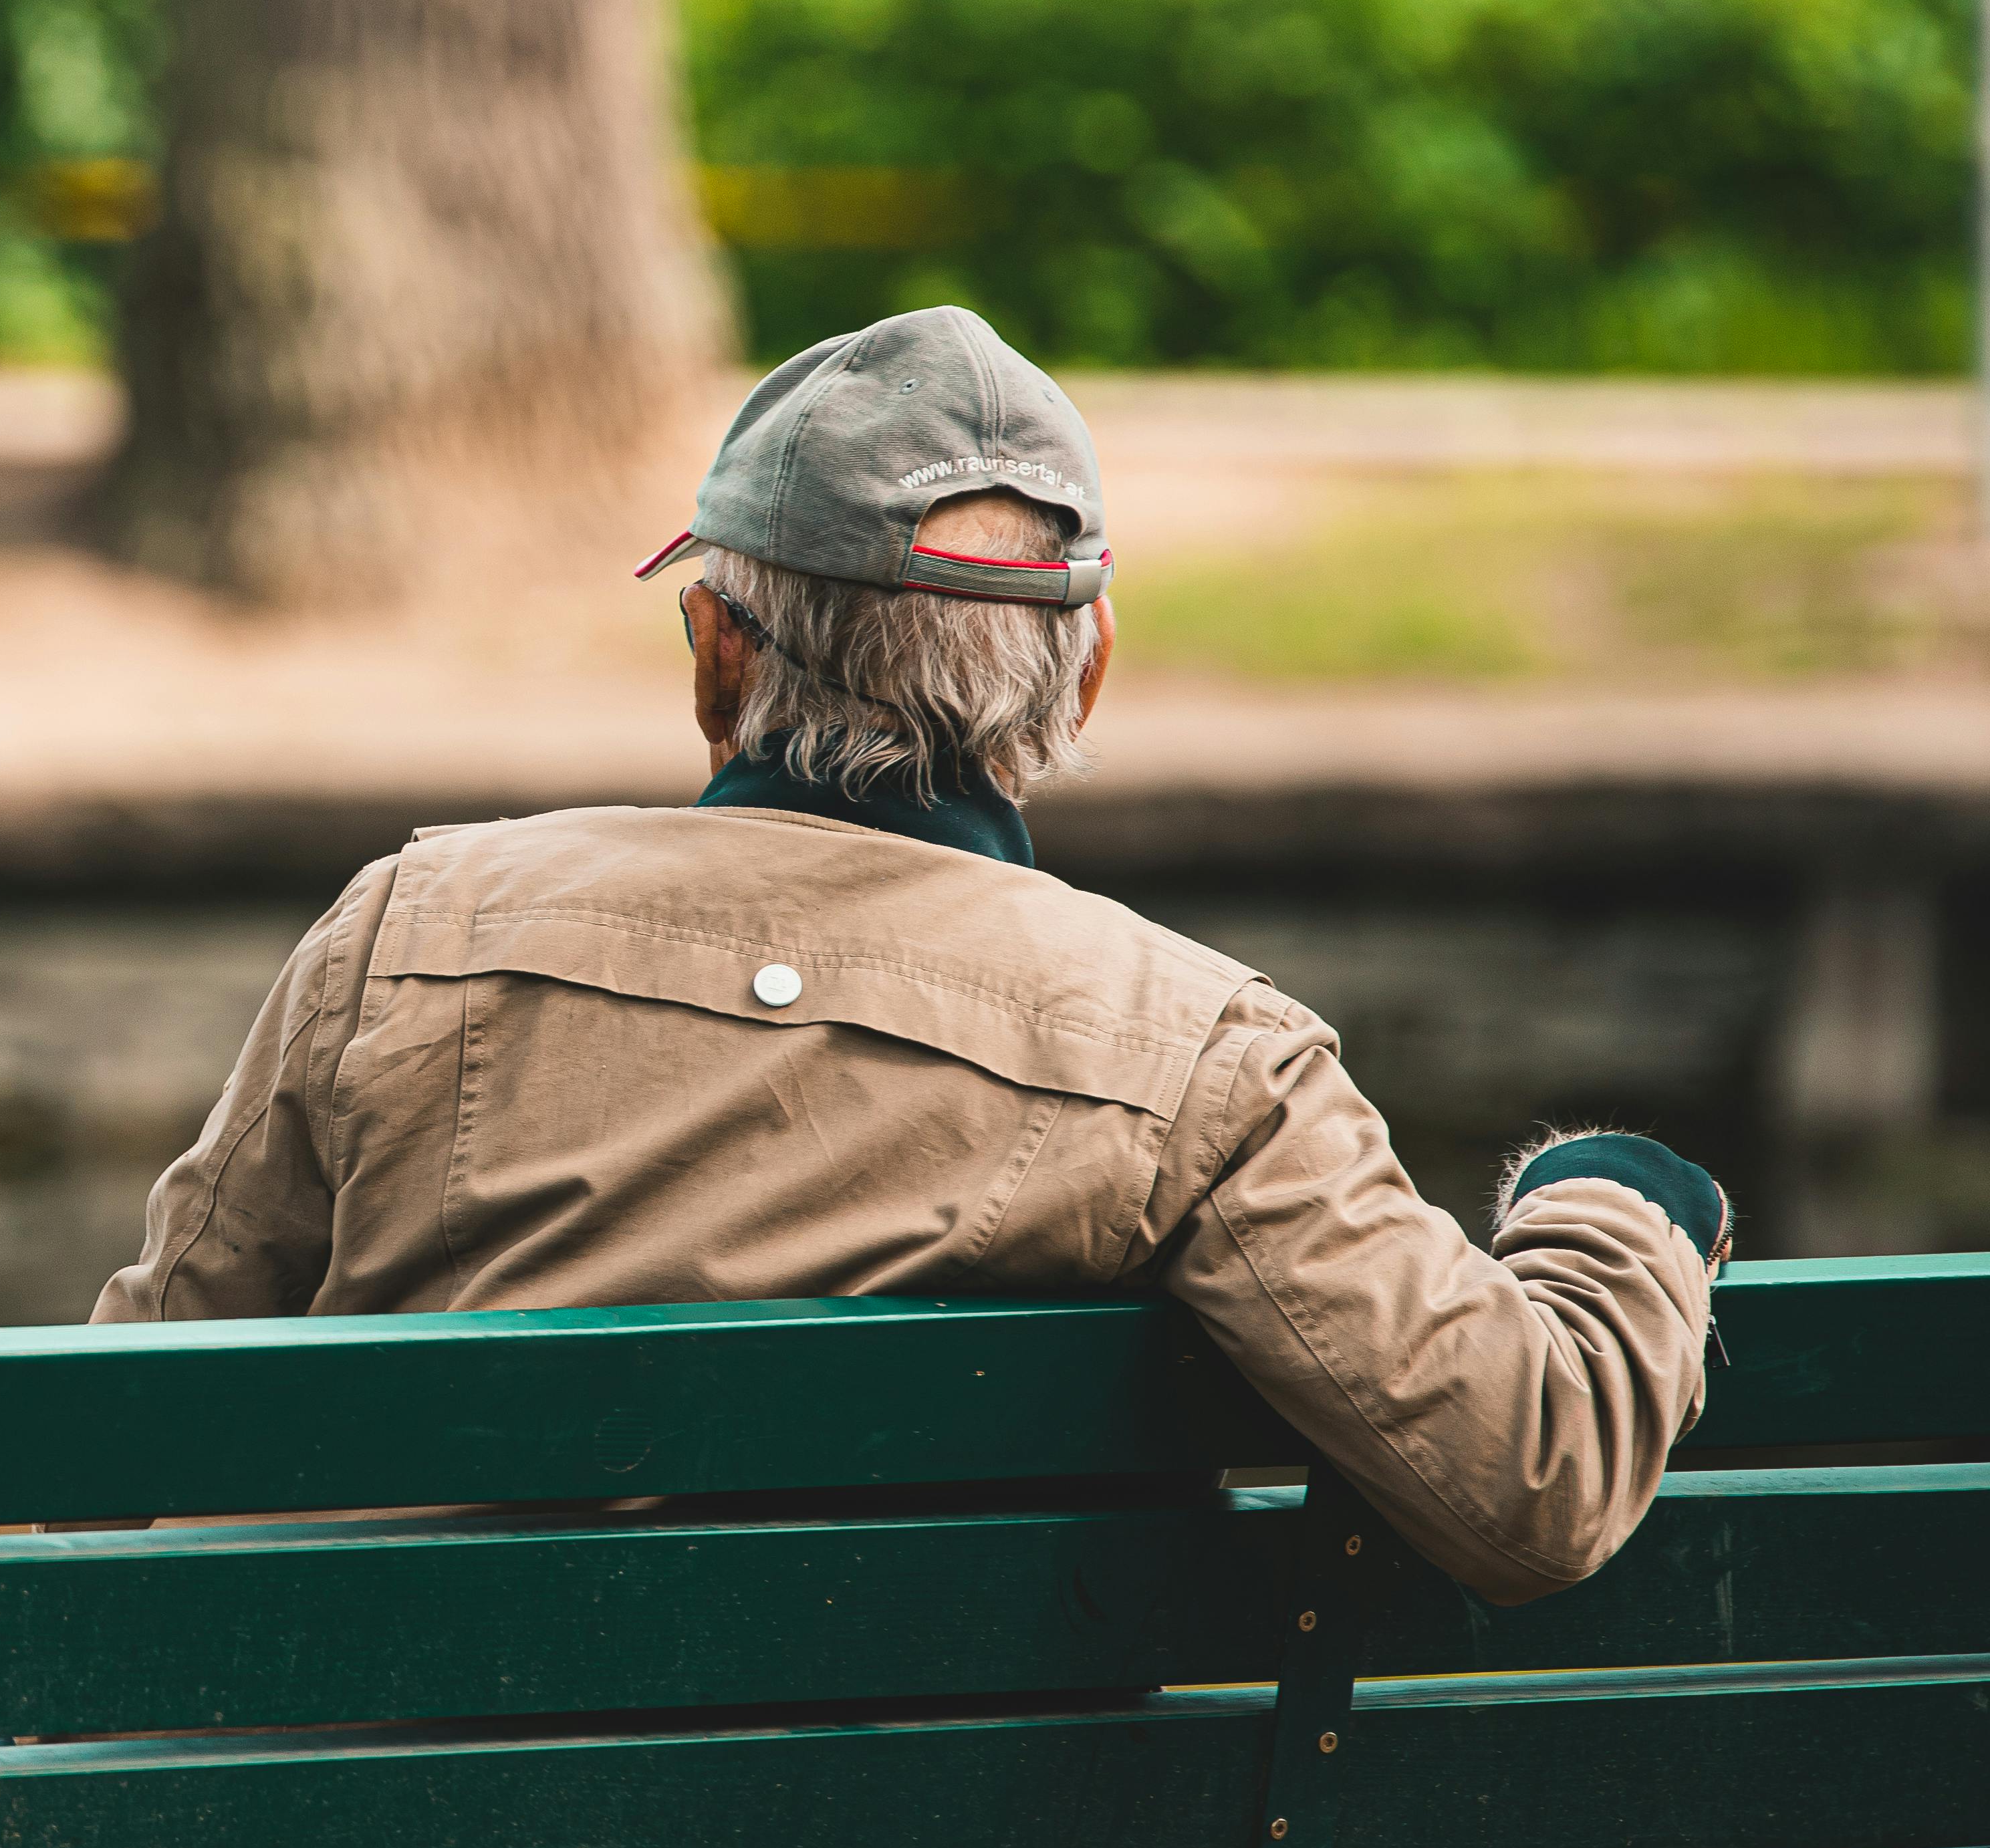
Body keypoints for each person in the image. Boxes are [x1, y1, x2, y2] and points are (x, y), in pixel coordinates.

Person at [94, 305, 1726, 1606]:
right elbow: (1532, 1484)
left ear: (715, 653)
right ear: (1081, 681)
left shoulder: (409, 930)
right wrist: (1613, 1205)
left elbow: (115, 1435)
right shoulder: (1206, 1060)